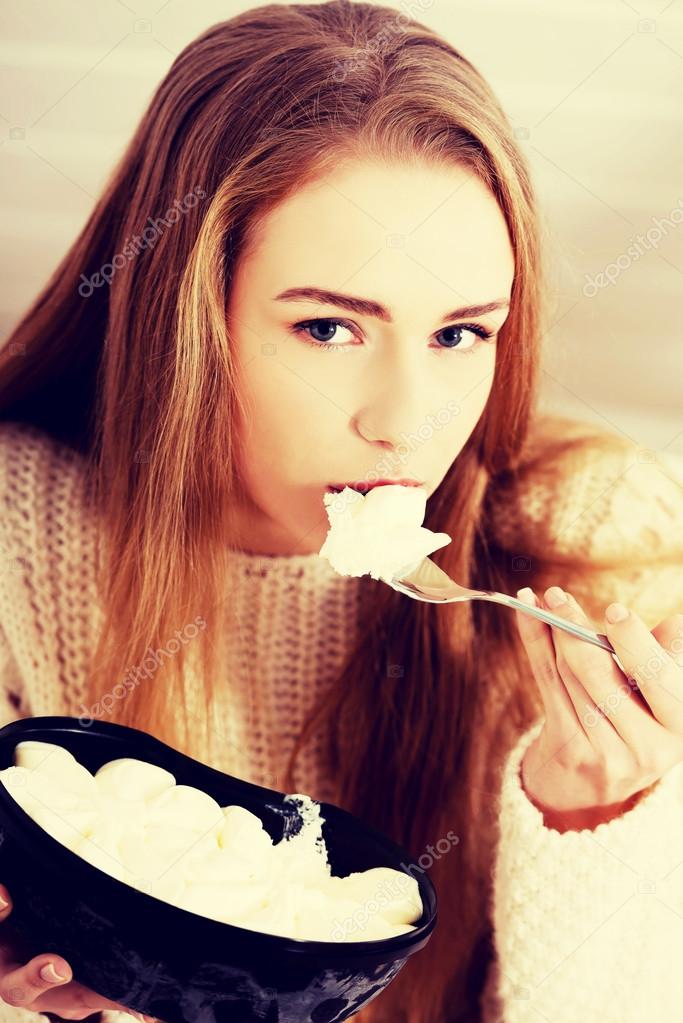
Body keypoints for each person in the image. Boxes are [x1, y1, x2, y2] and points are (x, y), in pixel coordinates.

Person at [0, 3, 682, 1022]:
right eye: (328, 327)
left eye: (459, 335)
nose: (406, 421)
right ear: (186, 315)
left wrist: (591, 819)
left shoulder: (593, 539)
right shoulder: (18, 540)